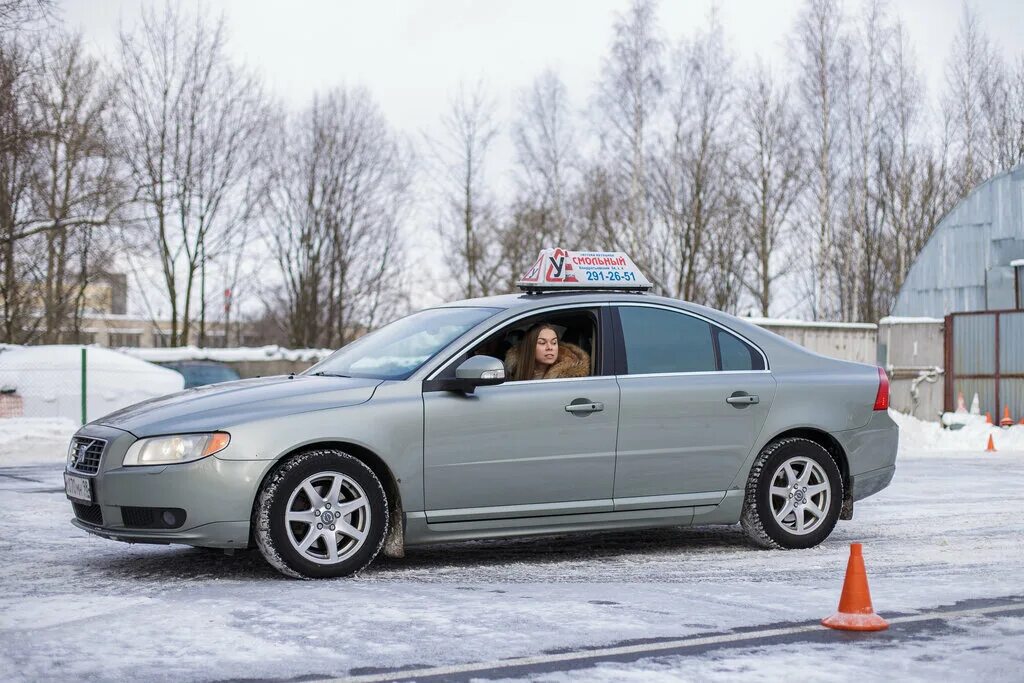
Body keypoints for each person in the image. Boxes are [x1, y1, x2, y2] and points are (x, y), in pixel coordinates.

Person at [504, 324, 590, 381]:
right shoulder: (513, 372)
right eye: (542, 343)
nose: (550, 347)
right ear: (530, 347)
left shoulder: (570, 377)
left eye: (554, 343)